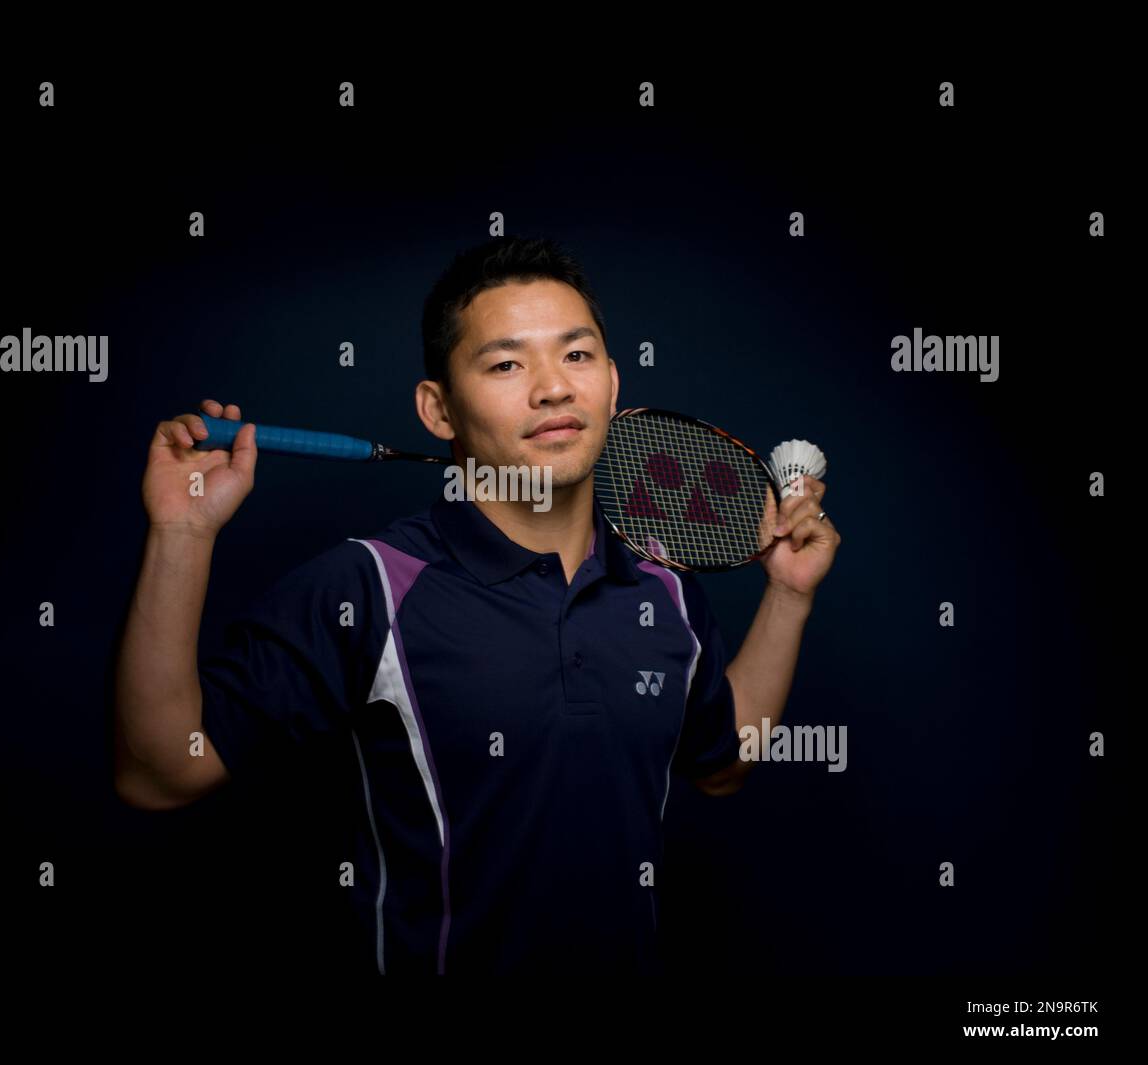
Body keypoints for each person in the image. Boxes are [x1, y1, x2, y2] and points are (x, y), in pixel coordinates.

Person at [113, 235, 841, 975]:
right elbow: (159, 773)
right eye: (505, 364)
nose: (553, 388)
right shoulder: (370, 587)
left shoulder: (667, 593)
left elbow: (723, 765)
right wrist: (182, 532)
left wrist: (788, 594)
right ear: (438, 409)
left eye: (577, 354)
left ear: (613, 382)